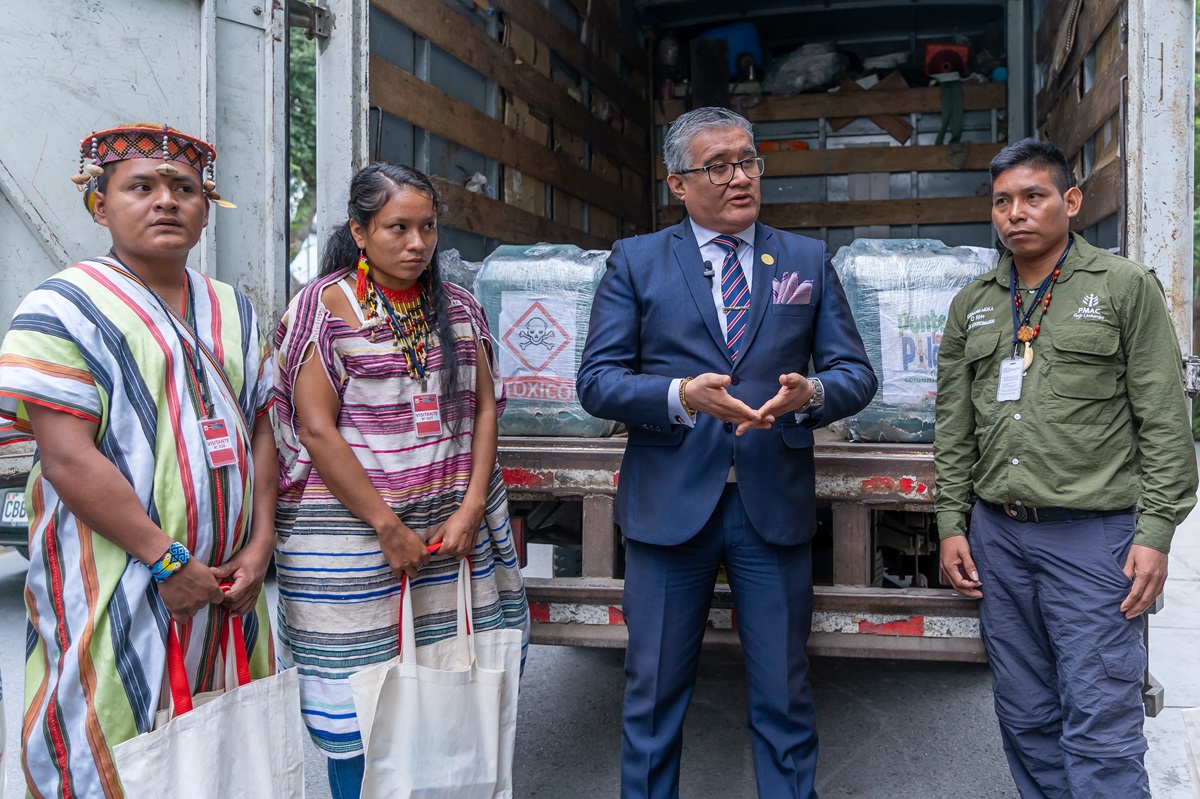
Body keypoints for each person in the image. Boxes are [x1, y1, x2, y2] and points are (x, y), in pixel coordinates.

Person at [577, 106, 877, 799]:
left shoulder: (804, 260)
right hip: (669, 507)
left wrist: (810, 393)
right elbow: (596, 381)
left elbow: (855, 374)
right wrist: (680, 395)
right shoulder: (637, 260)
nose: (740, 178)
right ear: (678, 184)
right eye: (718, 166)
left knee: (785, 697)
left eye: (748, 162)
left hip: (771, 507)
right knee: (653, 699)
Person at [0, 124, 278, 798]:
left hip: (228, 588)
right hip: (114, 582)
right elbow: (67, 459)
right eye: (141, 187)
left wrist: (261, 543)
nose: (166, 201)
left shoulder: (234, 309)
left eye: (184, 188)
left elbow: (263, 428)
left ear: (205, 210)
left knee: (226, 752)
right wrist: (167, 562)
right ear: (100, 206)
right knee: (107, 746)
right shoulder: (61, 307)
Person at [935, 138, 1198, 798]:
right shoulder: (973, 303)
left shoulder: (1122, 287)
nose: (1016, 213)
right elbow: (954, 426)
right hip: (999, 537)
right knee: (1025, 715)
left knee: (1101, 718)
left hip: (1091, 538)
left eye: (1034, 196)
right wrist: (951, 523)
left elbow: (1165, 422)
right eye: (1002, 201)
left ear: (1071, 201)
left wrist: (1156, 533)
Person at [273, 162, 529, 799]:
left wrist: (472, 508)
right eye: (397, 228)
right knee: (361, 711)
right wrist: (386, 527)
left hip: (454, 540)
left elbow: (485, 409)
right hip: (354, 550)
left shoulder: (460, 308)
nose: (417, 244)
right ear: (360, 232)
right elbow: (316, 430)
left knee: (454, 693)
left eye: (428, 228)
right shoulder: (324, 308)